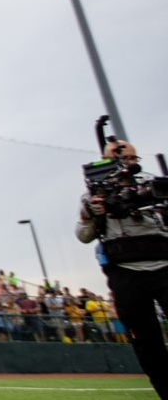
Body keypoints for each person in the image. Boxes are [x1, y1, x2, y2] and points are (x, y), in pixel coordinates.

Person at [76, 139, 168, 398]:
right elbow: (83, 235)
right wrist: (90, 214)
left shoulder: (154, 187)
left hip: (164, 265)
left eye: (130, 158)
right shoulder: (94, 196)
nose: (125, 163)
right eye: (118, 158)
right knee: (147, 342)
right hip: (126, 273)